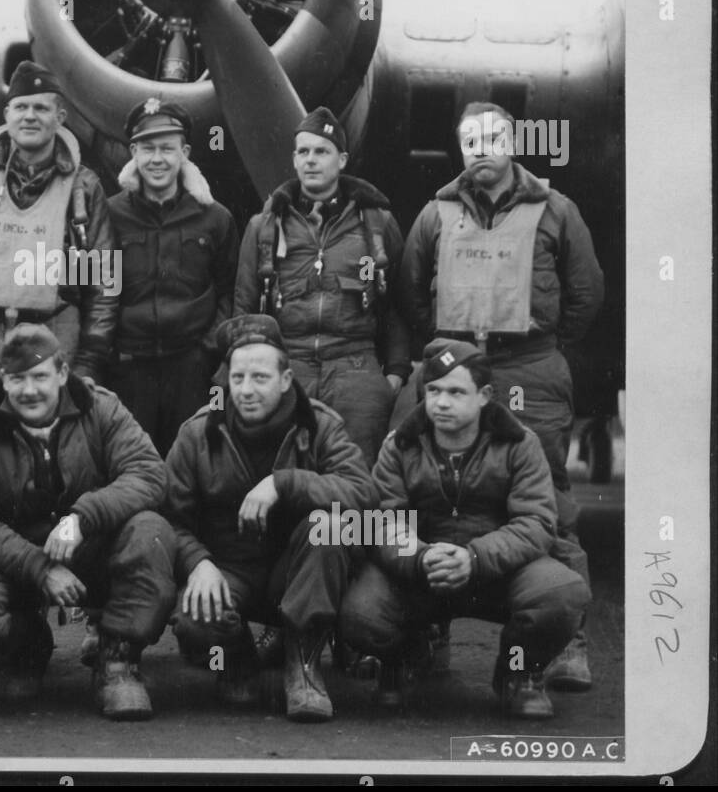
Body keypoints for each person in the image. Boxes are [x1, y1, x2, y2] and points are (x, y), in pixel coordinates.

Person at [397, 101, 604, 690]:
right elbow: (413, 294)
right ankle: (424, 624)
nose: (480, 149)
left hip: (529, 368)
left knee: (549, 496)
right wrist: (449, 354)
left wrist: (537, 349)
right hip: (454, 363)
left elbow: (585, 295)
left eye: (491, 137)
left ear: (514, 143)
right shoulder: (435, 214)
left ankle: (568, 640)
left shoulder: (557, 211)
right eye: (469, 141)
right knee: (433, 483)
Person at [339, 340, 590, 719]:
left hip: (497, 572)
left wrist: (474, 557)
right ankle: (407, 655)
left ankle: (518, 673)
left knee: (563, 593)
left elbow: (536, 523)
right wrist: (421, 556)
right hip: (422, 572)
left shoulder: (520, 443)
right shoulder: (400, 446)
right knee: (360, 613)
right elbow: (384, 521)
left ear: (484, 395)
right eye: (433, 391)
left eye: (456, 392)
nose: (441, 403)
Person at [0, 324, 175, 721]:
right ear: (3, 379)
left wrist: (84, 516)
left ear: (63, 374)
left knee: (151, 532)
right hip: (16, 561)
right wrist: (40, 568)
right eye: (17, 379)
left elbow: (149, 474)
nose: (29, 390)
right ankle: (25, 650)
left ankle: (117, 659)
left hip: (91, 548)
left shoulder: (103, 408)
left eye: (40, 377)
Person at [162, 314, 376, 721]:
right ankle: (237, 659)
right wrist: (198, 564)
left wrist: (287, 483)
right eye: (238, 378)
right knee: (195, 627)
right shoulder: (198, 433)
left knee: (330, 527)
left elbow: (363, 496)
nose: (246, 390)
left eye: (259, 378)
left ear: (285, 379)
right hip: (229, 570)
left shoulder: (320, 425)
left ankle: (304, 662)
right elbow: (171, 517)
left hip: (294, 572)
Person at [0, 61, 117, 426]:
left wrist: (89, 358)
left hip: (53, 329)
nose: (30, 116)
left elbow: (103, 278)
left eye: (42, 108)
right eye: (21, 107)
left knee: (49, 441)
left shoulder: (83, 187)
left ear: (61, 116)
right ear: (7, 114)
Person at [234, 107, 411, 467]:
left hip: (355, 368)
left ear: (342, 160)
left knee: (357, 478)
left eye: (322, 151)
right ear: (294, 160)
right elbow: (245, 307)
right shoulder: (263, 227)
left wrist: (394, 376)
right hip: (288, 365)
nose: (311, 160)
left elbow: (396, 306)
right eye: (303, 152)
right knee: (282, 472)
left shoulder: (377, 224)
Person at [106, 98, 238, 456]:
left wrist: (208, 351)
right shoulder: (109, 215)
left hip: (192, 369)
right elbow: (95, 290)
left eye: (167, 148)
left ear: (185, 153)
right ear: (133, 152)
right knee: (130, 462)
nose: (158, 159)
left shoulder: (215, 218)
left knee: (192, 463)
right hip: (129, 370)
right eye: (147, 149)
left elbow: (229, 292)